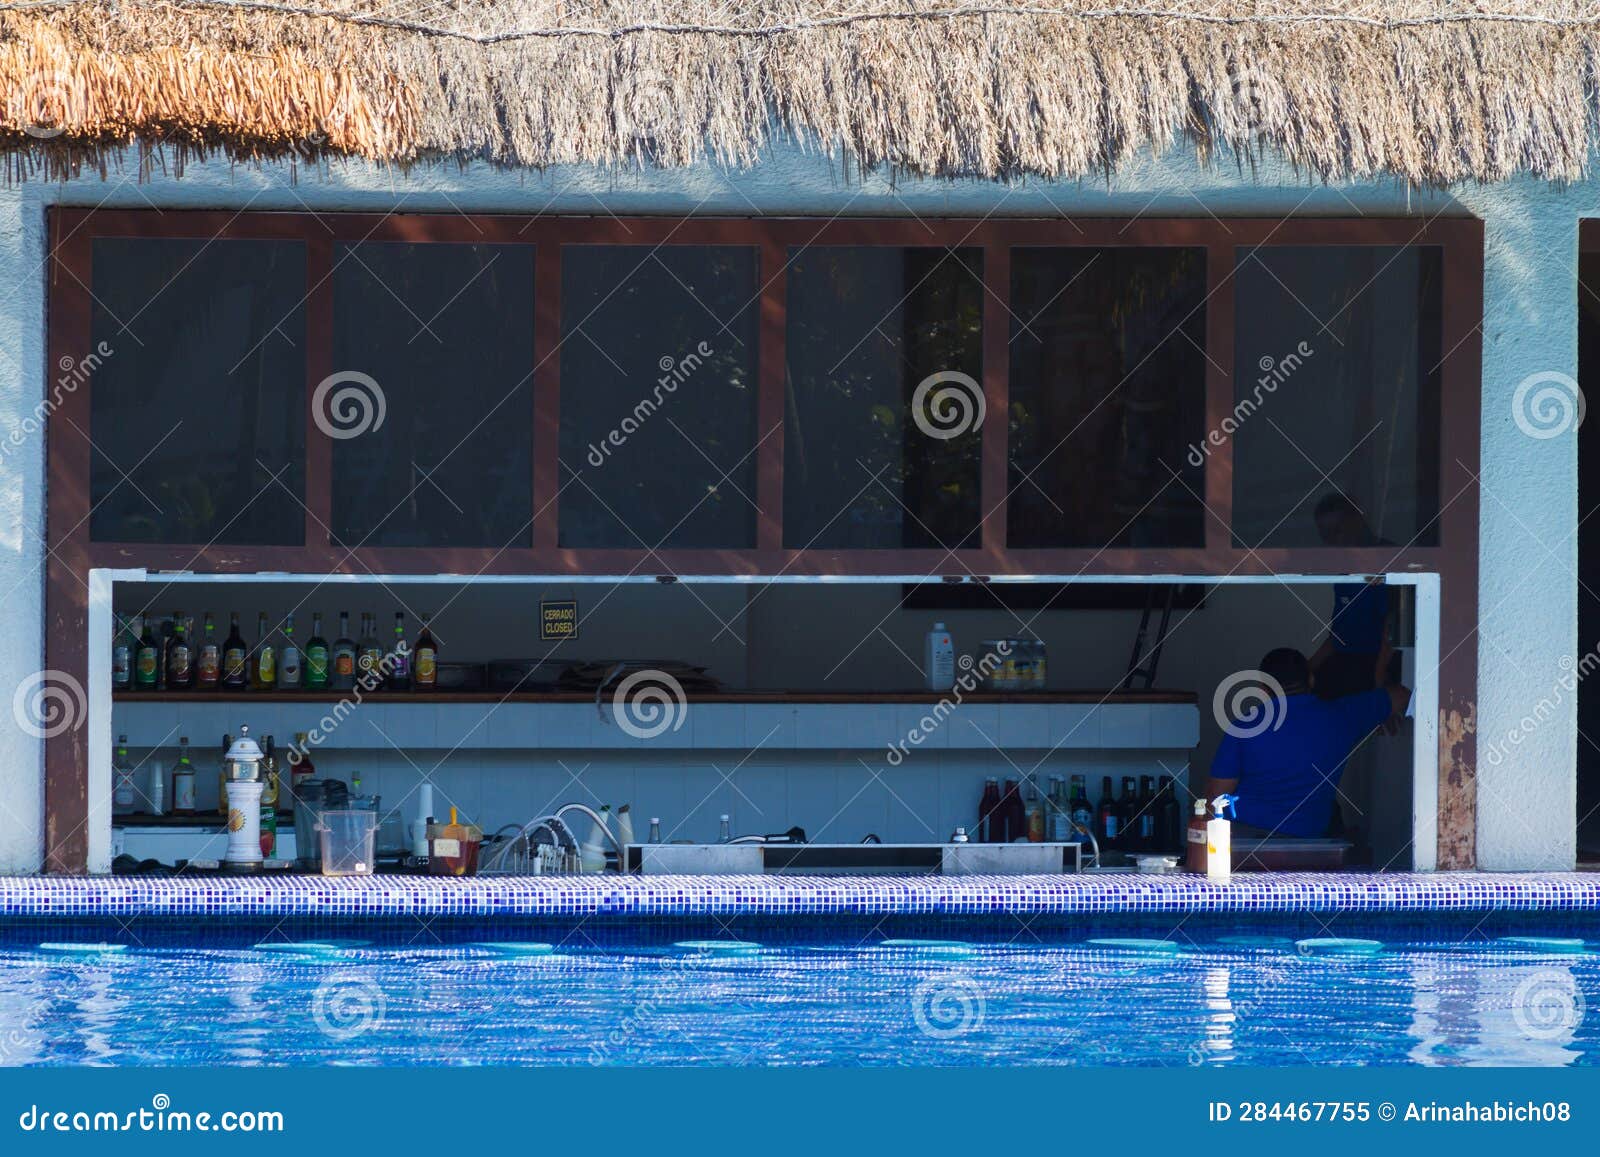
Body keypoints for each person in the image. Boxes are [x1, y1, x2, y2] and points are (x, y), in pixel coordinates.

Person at [1207, 646, 1409, 839]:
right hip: (1308, 842)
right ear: (1311, 680)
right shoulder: (1344, 715)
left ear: (1263, 689)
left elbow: (1216, 798)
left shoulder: (1244, 726)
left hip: (1245, 839)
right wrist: (1380, 685)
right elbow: (1403, 695)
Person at [1308, 492, 1395, 699]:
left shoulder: (1386, 559)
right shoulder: (1345, 568)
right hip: (1344, 662)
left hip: (1376, 663)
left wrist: (1379, 679)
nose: (1331, 541)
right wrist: (1305, 668)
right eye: (1324, 535)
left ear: (1356, 522)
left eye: (1336, 531)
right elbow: (1339, 633)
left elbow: (1392, 630)